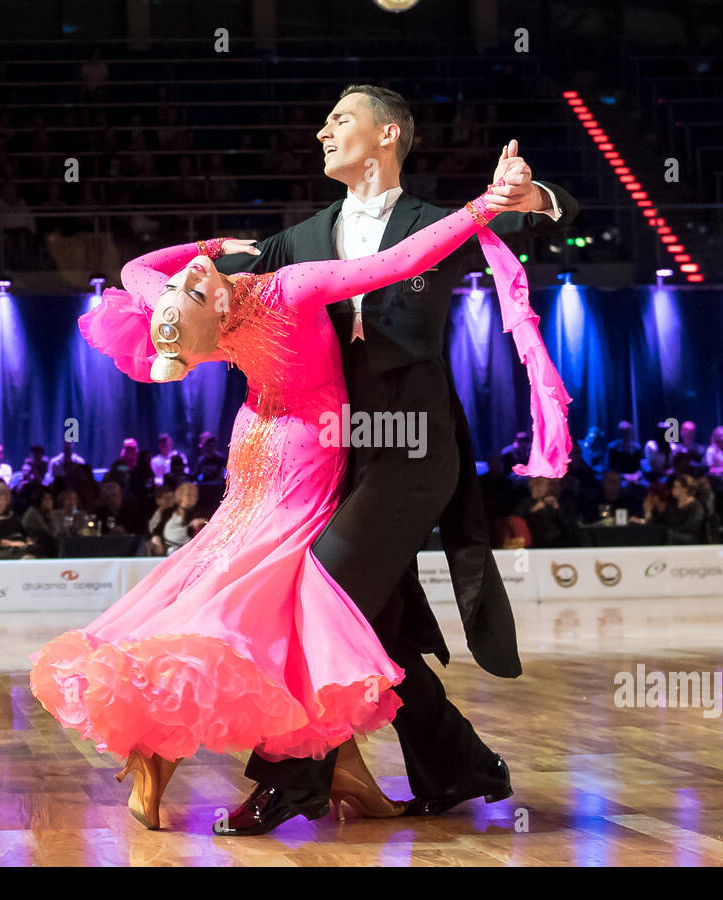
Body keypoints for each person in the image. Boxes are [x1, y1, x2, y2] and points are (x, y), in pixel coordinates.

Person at [31, 156, 570, 834]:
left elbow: (138, 270)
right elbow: (398, 262)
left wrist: (207, 247)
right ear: (214, 309)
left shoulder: (213, 310)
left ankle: (218, 755)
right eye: (192, 286)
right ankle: (290, 765)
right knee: (296, 603)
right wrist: (483, 205)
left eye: (185, 283)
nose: (190, 275)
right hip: (308, 452)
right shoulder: (291, 277)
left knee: (264, 584)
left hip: (287, 441)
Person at [212, 86, 576, 833]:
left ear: (387, 134)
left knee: (321, 591)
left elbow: (546, 216)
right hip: (336, 454)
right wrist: (205, 265)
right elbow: (225, 294)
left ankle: (290, 780)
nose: (322, 131)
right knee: (382, 628)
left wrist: (529, 193)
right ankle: (462, 767)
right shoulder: (299, 238)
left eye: (338, 119)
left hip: (414, 444)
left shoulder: (435, 222)